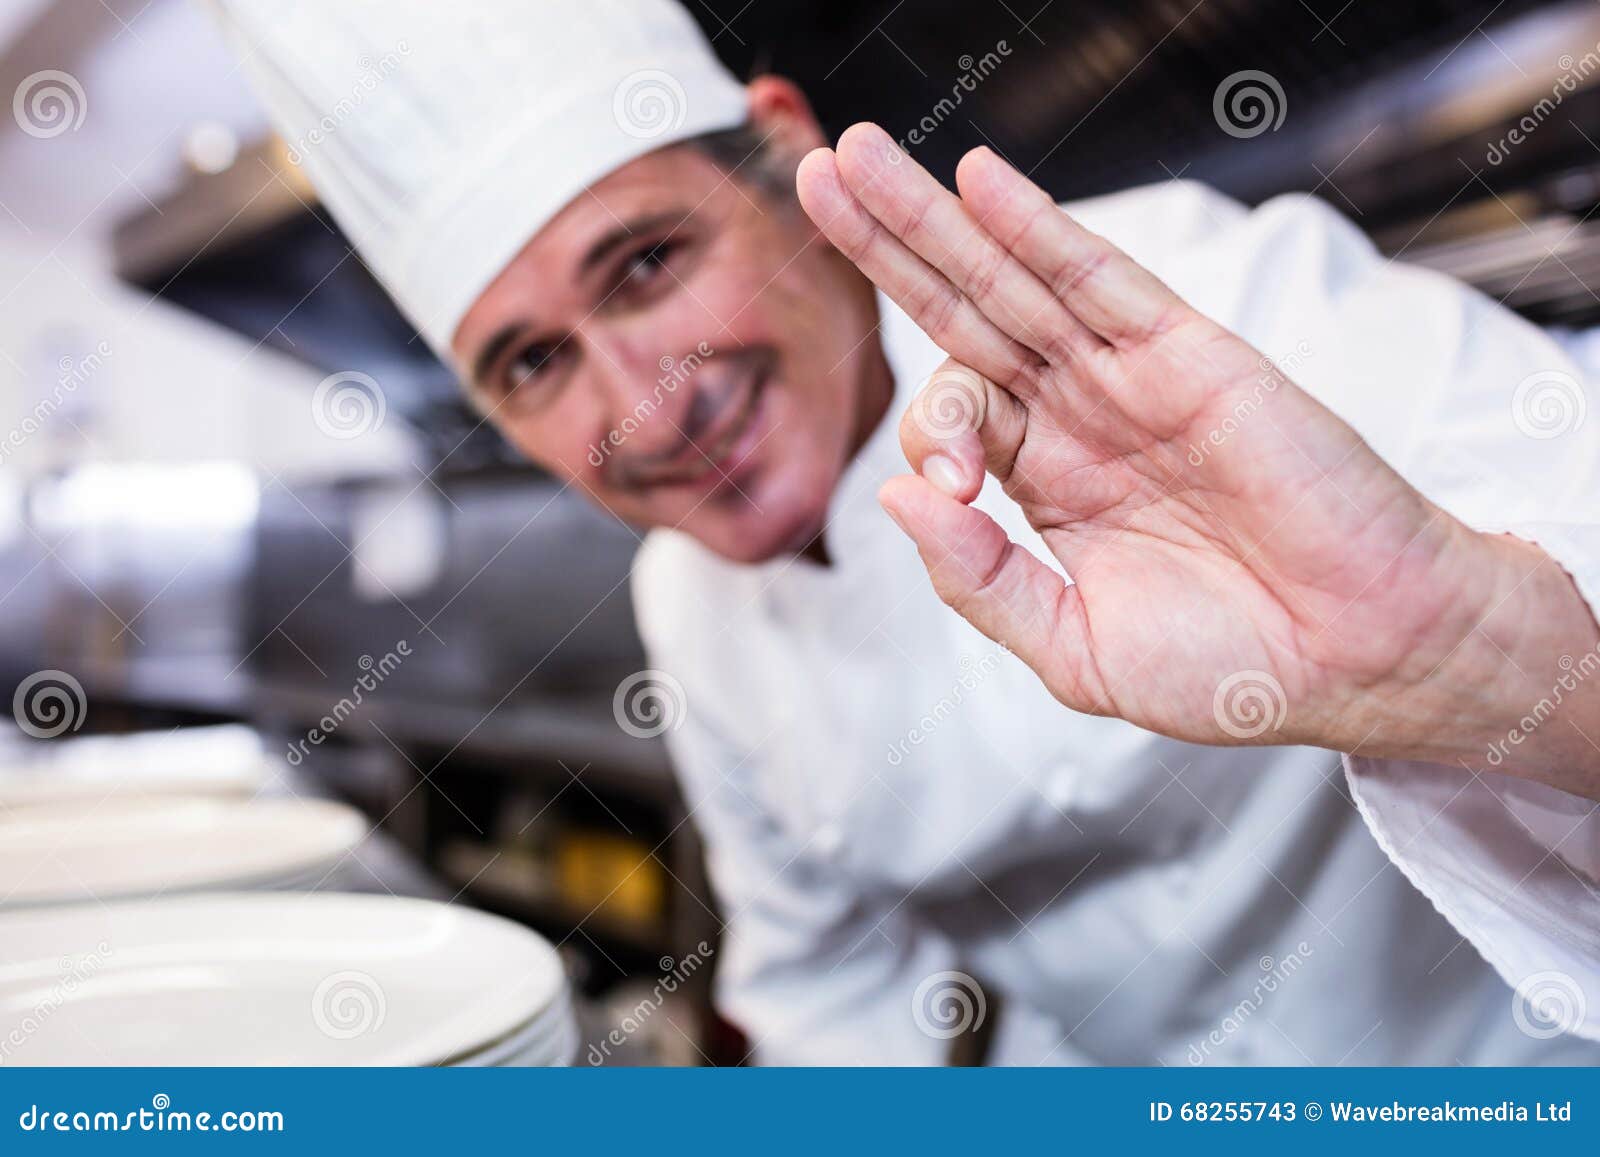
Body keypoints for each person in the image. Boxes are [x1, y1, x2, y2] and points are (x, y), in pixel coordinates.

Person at [208, 0, 1599, 1063]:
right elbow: (829, 992)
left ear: (788, 150)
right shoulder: (689, 608)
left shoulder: (1193, 304)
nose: (641, 410)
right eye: (531, 362)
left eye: (646, 263)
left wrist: (1481, 659)